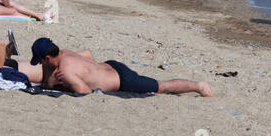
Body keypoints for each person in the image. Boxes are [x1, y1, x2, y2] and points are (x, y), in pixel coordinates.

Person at [30, 38, 214, 96]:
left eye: (40, 61)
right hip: (110, 65)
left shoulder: (66, 71)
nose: (40, 65)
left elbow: (85, 92)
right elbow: (87, 53)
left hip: (123, 81)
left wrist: (56, 84)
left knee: (162, 87)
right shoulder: (64, 52)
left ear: (47, 58)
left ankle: (199, 86)